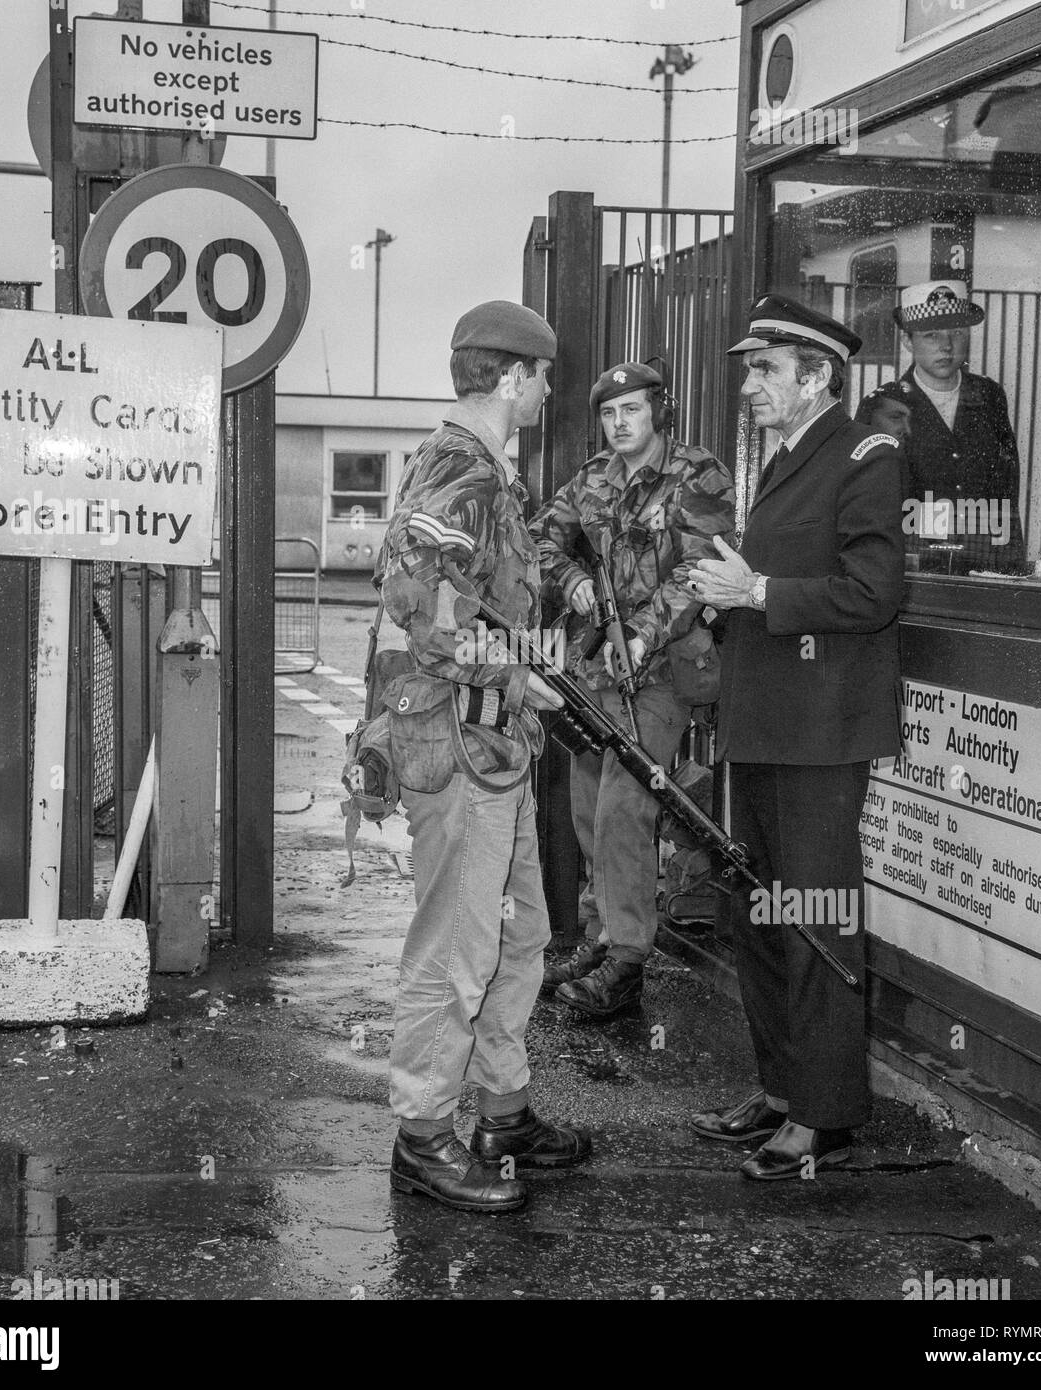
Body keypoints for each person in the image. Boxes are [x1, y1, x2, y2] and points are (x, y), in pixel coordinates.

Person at [378, 300, 591, 1214]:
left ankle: (503, 1109)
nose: (547, 390)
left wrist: (520, 679)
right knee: (454, 947)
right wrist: (514, 672)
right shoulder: (459, 470)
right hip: (459, 745)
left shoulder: (489, 474)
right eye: (542, 376)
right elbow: (414, 599)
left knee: (519, 934)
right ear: (513, 378)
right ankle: (424, 1135)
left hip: (495, 747)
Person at [686, 294, 904, 1180]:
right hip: (763, 724)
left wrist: (760, 595)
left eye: (766, 369)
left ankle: (825, 1115)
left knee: (813, 919)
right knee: (755, 913)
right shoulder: (778, 458)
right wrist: (726, 594)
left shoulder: (865, 455)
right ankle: (780, 1091)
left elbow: (872, 591)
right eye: (749, 370)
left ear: (817, 376)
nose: (749, 385)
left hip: (820, 732)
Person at [529, 362, 735, 1018]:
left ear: (659, 411)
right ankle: (599, 935)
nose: (620, 425)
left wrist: (642, 634)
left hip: (669, 665)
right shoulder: (593, 477)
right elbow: (538, 542)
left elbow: (701, 567)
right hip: (603, 671)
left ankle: (627, 960)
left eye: (633, 411)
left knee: (625, 801)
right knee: (592, 803)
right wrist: (574, 582)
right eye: (610, 413)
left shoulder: (697, 473)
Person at [892, 280, 1025, 574]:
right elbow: (875, 502)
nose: (947, 346)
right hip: (912, 566)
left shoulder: (989, 396)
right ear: (907, 341)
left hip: (982, 561)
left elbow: (1006, 488)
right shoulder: (884, 404)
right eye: (931, 335)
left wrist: (1012, 565)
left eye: (957, 333)